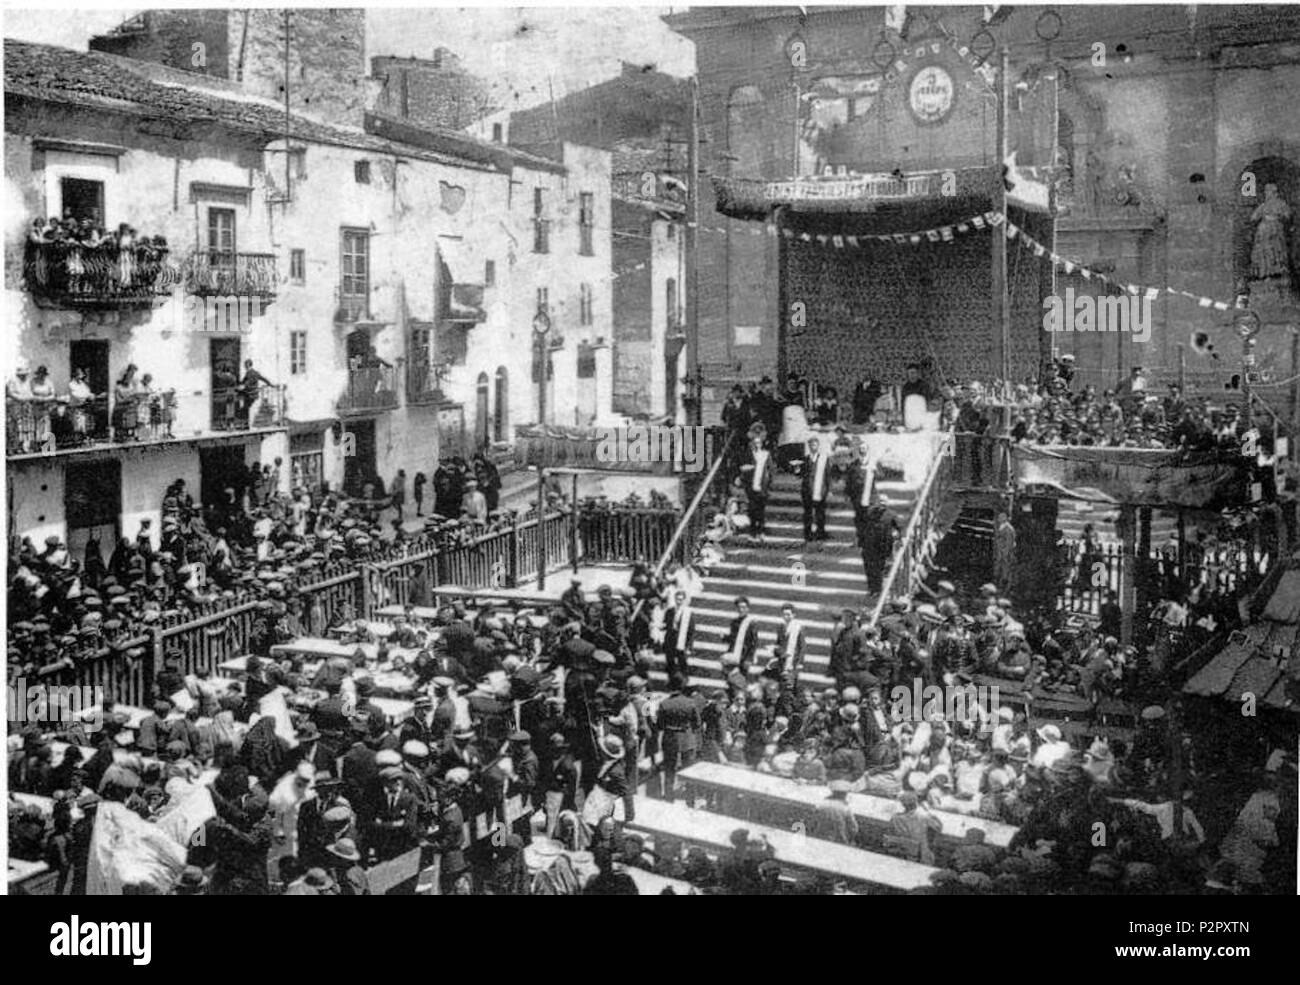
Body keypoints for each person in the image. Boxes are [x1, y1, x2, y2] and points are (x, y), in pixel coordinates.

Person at [856, 489, 898, 597]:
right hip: (868, 545)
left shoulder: (891, 515)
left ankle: (878, 590)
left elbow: (900, 527)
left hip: (882, 546)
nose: (881, 505)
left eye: (884, 503)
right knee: (869, 568)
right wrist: (860, 542)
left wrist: (900, 538)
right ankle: (871, 589)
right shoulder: (868, 514)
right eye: (880, 502)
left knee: (879, 569)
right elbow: (861, 529)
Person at [795, 434, 833, 542]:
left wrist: (829, 489)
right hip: (807, 490)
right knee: (808, 513)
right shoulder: (805, 459)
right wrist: (797, 470)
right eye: (811, 445)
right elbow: (800, 475)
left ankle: (820, 533)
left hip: (820, 489)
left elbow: (828, 475)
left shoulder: (824, 459)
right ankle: (808, 534)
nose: (813, 447)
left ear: (818, 446)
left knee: (820, 513)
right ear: (809, 446)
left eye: (815, 445)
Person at [737, 430, 773, 539]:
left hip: (762, 485)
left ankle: (761, 531)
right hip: (751, 484)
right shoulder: (748, 455)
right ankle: (752, 532)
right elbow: (743, 467)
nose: (756, 445)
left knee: (761, 509)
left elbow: (770, 469)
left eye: (758, 443)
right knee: (752, 509)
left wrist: (768, 482)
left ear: (761, 444)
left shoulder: (766, 455)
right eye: (754, 443)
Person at [662, 588, 694, 681]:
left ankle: (683, 681)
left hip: (682, 640)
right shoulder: (670, 611)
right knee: (670, 661)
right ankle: (672, 681)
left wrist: (689, 646)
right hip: (670, 639)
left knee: (682, 662)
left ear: (684, 600)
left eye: (681, 599)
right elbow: (666, 625)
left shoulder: (688, 613)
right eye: (677, 599)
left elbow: (691, 631)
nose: (678, 601)